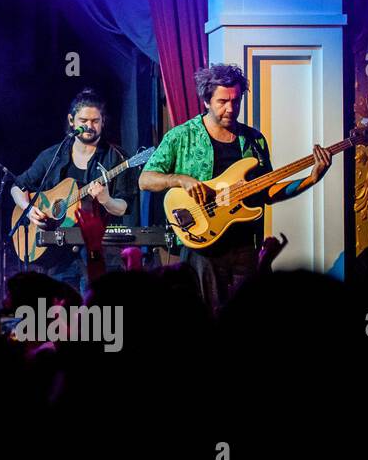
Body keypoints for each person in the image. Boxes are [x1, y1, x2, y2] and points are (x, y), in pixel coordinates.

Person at [138, 63, 331, 310]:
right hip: (203, 248)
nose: (231, 108)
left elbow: (268, 192)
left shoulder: (254, 140)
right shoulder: (180, 136)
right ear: (206, 101)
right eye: (222, 101)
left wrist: (310, 179)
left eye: (236, 101)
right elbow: (146, 179)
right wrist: (180, 180)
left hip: (245, 246)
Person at [10, 88, 133, 293]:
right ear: (71, 120)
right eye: (83, 120)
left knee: (96, 315)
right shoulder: (53, 156)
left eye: (95, 121)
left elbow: (123, 207)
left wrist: (106, 200)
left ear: (103, 121)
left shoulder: (116, 158)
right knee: (61, 317)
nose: (89, 126)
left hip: (99, 253)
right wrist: (29, 210)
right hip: (57, 257)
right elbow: (17, 187)